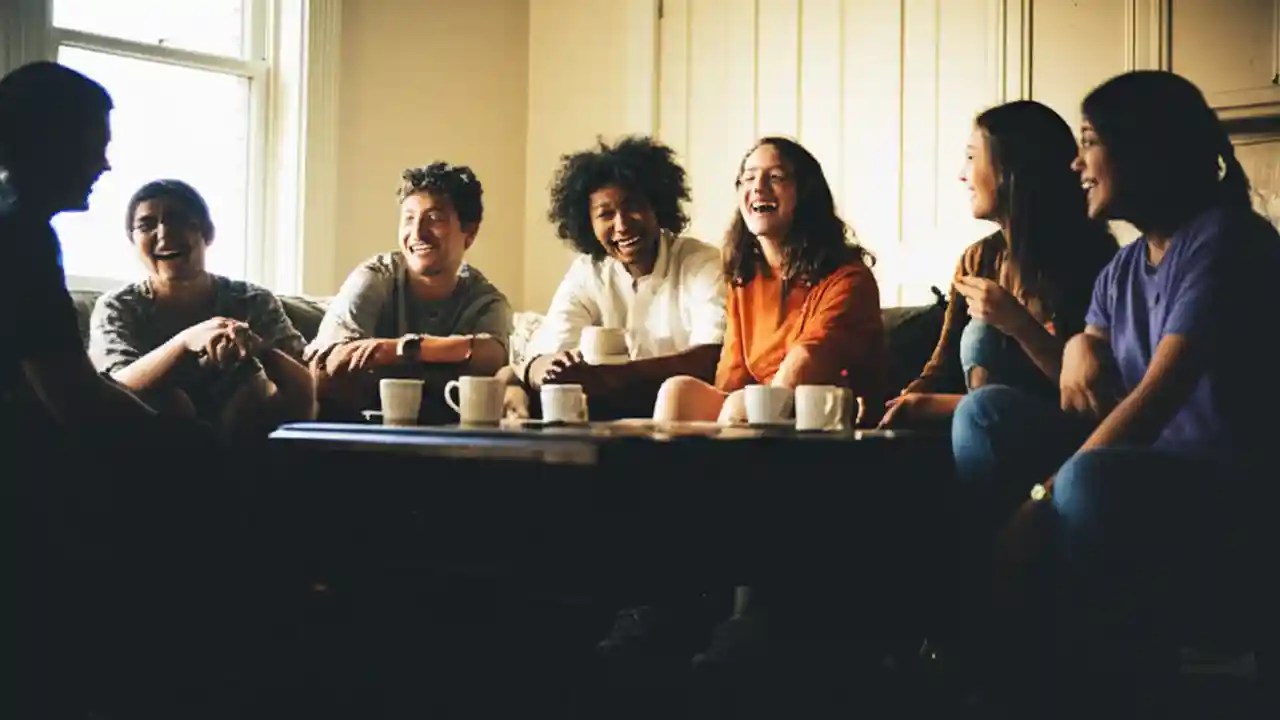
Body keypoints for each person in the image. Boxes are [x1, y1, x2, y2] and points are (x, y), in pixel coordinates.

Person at [951, 71, 1278, 715]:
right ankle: (1007, 646)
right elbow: (1081, 401)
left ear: (1145, 149)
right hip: (1146, 465)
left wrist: (1037, 503)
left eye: (1090, 142)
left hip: (1227, 488)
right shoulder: (1123, 267)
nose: (1076, 164)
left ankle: (1094, 681)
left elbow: (1156, 398)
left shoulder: (1226, 241)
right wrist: (1077, 344)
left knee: (1085, 482)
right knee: (984, 415)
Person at [2, 62, 252, 717]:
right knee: (192, 468)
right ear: (45, 141)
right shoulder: (20, 235)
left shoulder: (19, 224)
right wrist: (183, 440)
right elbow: (77, 401)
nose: (105, 164)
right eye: (94, 145)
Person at [881, 100, 1116, 428]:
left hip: (1062, 425)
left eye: (971, 157)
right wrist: (902, 401)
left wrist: (1016, 322)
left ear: (1010, 169)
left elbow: (1086, 393)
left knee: (983, 337)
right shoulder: (977, 259)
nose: (962, 175)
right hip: (976, 419)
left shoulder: (1091, 257)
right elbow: (941, 368)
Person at [652, 136, 885, 424]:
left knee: (741, 406)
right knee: (678, 392)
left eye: (775, 177)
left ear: (805, 193)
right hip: (766, 412)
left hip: (829, 417)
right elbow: (732, 377)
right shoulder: (746, 278)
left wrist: (743, 408)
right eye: (749, 178)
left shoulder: (849, 280)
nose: (758, 187)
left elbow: (805, 366)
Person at [498, 135, 725, 420]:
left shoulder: (701, 262)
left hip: (682, 423)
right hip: (602, 425)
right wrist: (539, 369)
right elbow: (547, 354)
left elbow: (710, 358)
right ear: (588, 224)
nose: (622, 225)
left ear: (656, 206)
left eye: (633, 207)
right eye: (606, 214)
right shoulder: (587, 272)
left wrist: (606, 376)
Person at [89, 179, 315, 443]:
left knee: (257, 387)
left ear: (207, 233)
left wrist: (258, 348)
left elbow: (305, 387)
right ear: (133, 240)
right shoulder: (117, 306)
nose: (164, 234)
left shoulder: (251, 300)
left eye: (178, 220)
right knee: (167, 399)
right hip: (158, 440)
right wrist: (185, 342)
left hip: (245, 432)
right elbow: (115, 384)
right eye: (146, 225)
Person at [306, 162, 513, 423]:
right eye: (409, 218)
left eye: (434, 219)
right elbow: (327, 369)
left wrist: (395, 349)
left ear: (469, 232)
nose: (417, 234)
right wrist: (449, 359)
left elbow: (491, 357)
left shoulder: (486, 302)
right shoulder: (375, 278)